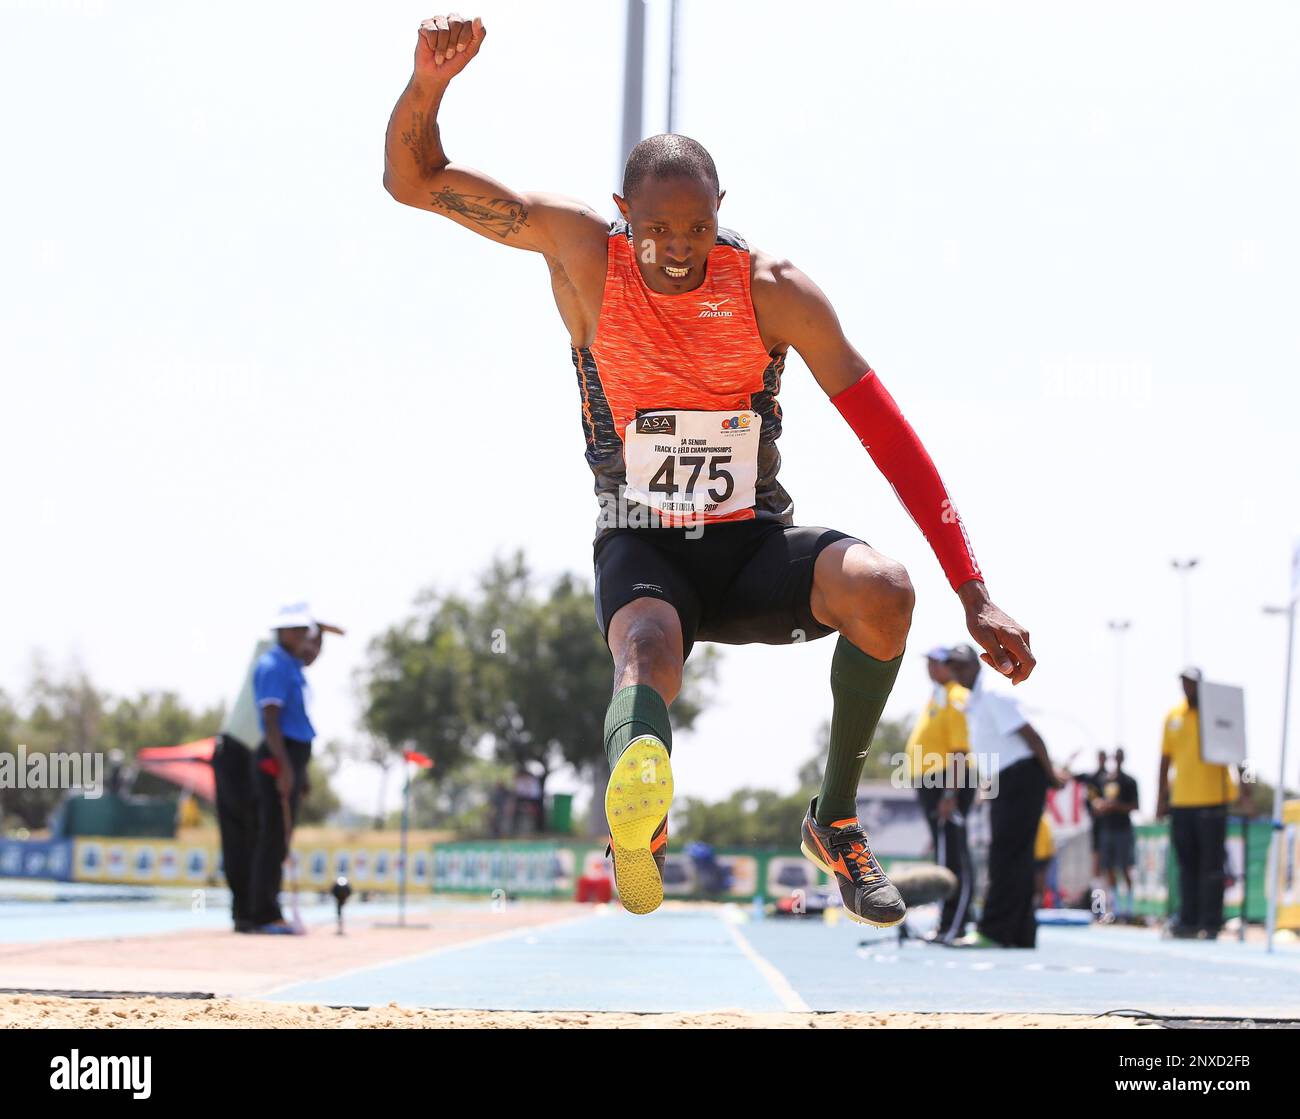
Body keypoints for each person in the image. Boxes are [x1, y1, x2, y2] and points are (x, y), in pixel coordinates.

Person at [383, 16, 1035, 924]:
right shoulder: (579, 251)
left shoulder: (775, 289)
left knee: (885, 590)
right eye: (657, 229)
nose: (678, 247)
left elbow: (890, 435)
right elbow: (412, 182)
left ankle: (835, 819)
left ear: (723, 209)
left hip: (752, 545)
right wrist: (429, 85)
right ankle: (638, 820)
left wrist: (972, 589)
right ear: (624, 213)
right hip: (645, 547)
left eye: (698, 226)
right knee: (646, 648)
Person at [946, 644, 1063, 947]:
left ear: (976, 665)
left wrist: (1051, 776)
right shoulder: (975, 702)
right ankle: (1020, 933)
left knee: (1005, 856)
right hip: (1007, 780)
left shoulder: (993, 697)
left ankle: (994, 930)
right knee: (1017, 857)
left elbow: (1032, 736)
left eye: (961, 665)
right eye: (953, 666)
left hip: (1020, 777)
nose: (957, 671)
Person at [247, 604, 342, 934]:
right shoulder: (273, 664)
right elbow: (271, 720)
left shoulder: (293, 664)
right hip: (278, 755)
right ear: (285, 632)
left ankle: (270, 911)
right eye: (302, 631)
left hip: (294, 756)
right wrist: (285, 769)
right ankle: (262, 914)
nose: (307, 638)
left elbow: (313, 655)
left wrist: (300, 773)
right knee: (273, 837)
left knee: (281, 838)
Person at [1157, 668, 1246, 939]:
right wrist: (1161, 798)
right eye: (1184, 684)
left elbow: (1241, 756)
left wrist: (1248, 789)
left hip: (1213, 799)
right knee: (1187, 864)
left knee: (1212, 866)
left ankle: (1210, 923)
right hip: (1182, 800)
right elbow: (1164, 760)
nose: (1187, 689)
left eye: (1192, 684)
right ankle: (1188, 921)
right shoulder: (1173, 717)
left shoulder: (1218, 714)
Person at [905, 647, 976, 943]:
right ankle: (951, 920)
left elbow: (961, 749)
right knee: (946, 852)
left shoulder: (956, 695)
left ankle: (953, 923)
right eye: (930, 662)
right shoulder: (939, 695)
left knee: (952, 856)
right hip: (933, 780)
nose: (931, 668)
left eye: (938, 663)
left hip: (948, 779)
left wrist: (950, 792)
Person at [213, 635, 271, 933]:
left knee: (259, 834)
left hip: (255, 755)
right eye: (305, 638)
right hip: (234, 752)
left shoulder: (290, 670)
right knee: (240, 837)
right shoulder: (270, 655)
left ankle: (255, 909)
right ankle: (244, 911)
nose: (311, 649)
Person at [1093, 747, 1139, 922]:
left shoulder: (1129, 781)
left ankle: (1129, 907)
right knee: (1108, 868)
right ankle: (1114, 908)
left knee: (1125, 867)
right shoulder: (1105, 780)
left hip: (1123, 831)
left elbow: (1134, 806)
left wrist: (1115, 806)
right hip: (1107, 830)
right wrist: (1100, 807)